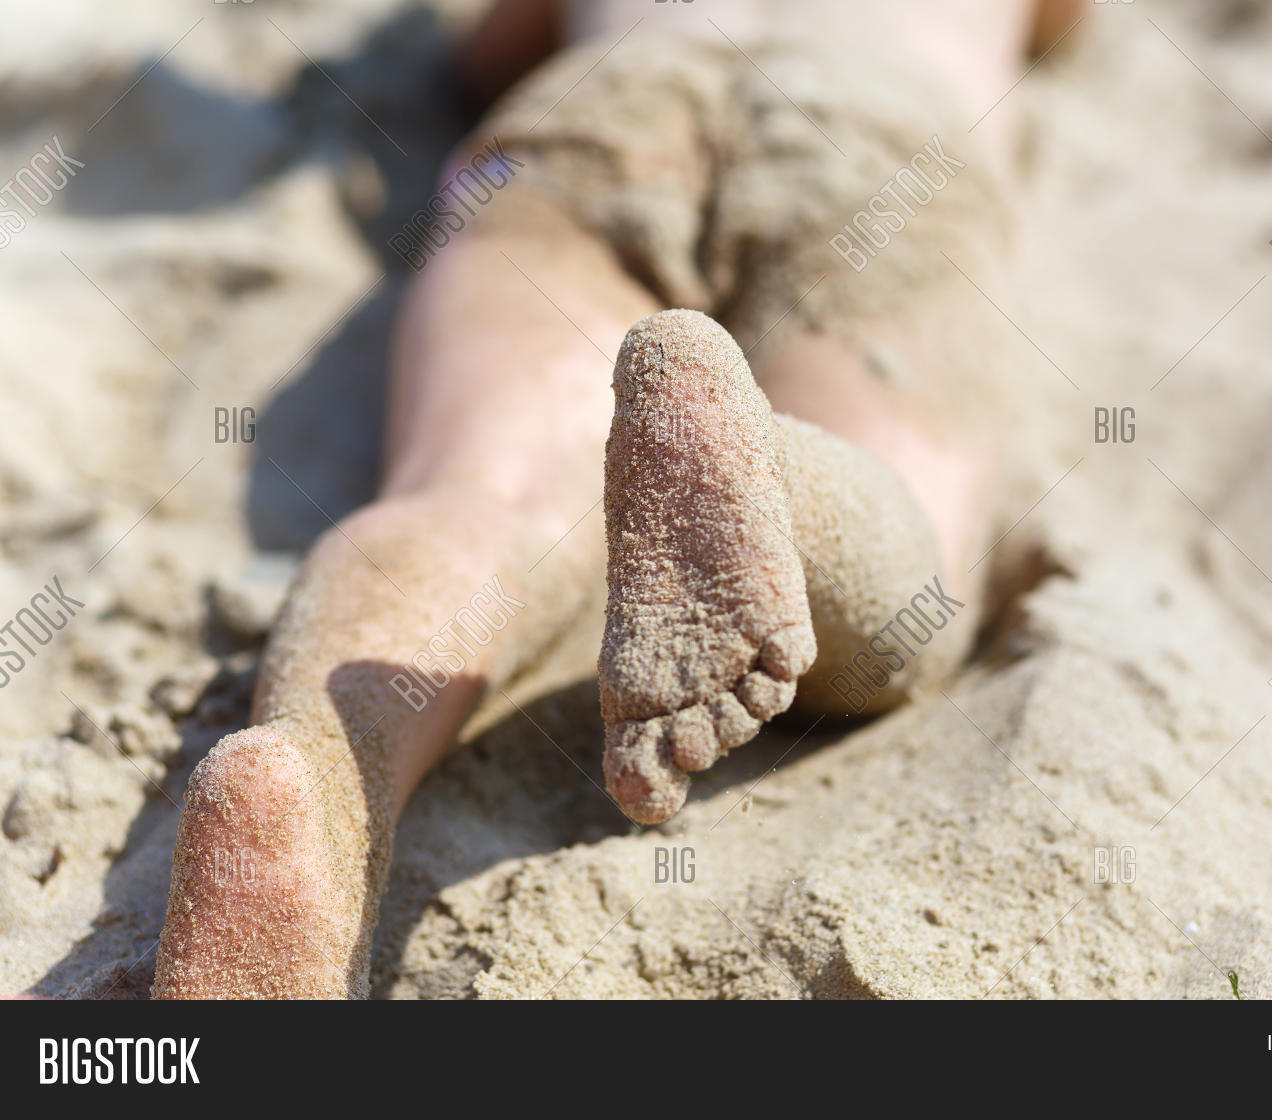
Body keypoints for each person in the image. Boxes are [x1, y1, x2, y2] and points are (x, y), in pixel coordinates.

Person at [151, 0, 1079, 999]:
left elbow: (491, 54)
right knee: (909, 592)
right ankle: (774, 476)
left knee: (481, 491)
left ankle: (317, 778)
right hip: (883, 131)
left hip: (606, 103)